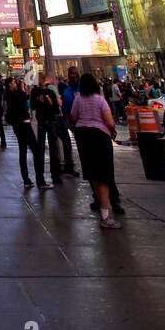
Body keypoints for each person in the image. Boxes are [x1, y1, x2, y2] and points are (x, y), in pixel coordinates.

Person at [70, 74, 121, 230]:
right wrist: (112, 130)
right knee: (104, 175)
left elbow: (73, 116)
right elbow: (110, 121)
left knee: (92, 173)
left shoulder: (78, 99)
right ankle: (106, 215)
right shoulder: (99, 100)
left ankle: (101, 204)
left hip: (83, 137)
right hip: (99, 137)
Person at [30, 73, 63, 186]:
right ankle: (40, 177)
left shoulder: (50, 92)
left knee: (53, 148)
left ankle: (55, 174)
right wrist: (39, 101)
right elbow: (33, 106)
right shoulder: (35, 92)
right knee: (41, 148)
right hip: (42, 121)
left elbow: (56, 110)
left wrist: (50, 102)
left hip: (51, 121)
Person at [6, 76, 38, 188]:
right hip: (23, 125)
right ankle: (35, 178)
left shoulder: (12, 94)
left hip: (20, 126)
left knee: (23, 151)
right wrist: (23, 89)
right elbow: (24, 98)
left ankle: (27, 179)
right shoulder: (12, 95)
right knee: (35, 149)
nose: (16, 84)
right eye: (14, 82)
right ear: (10, 84)